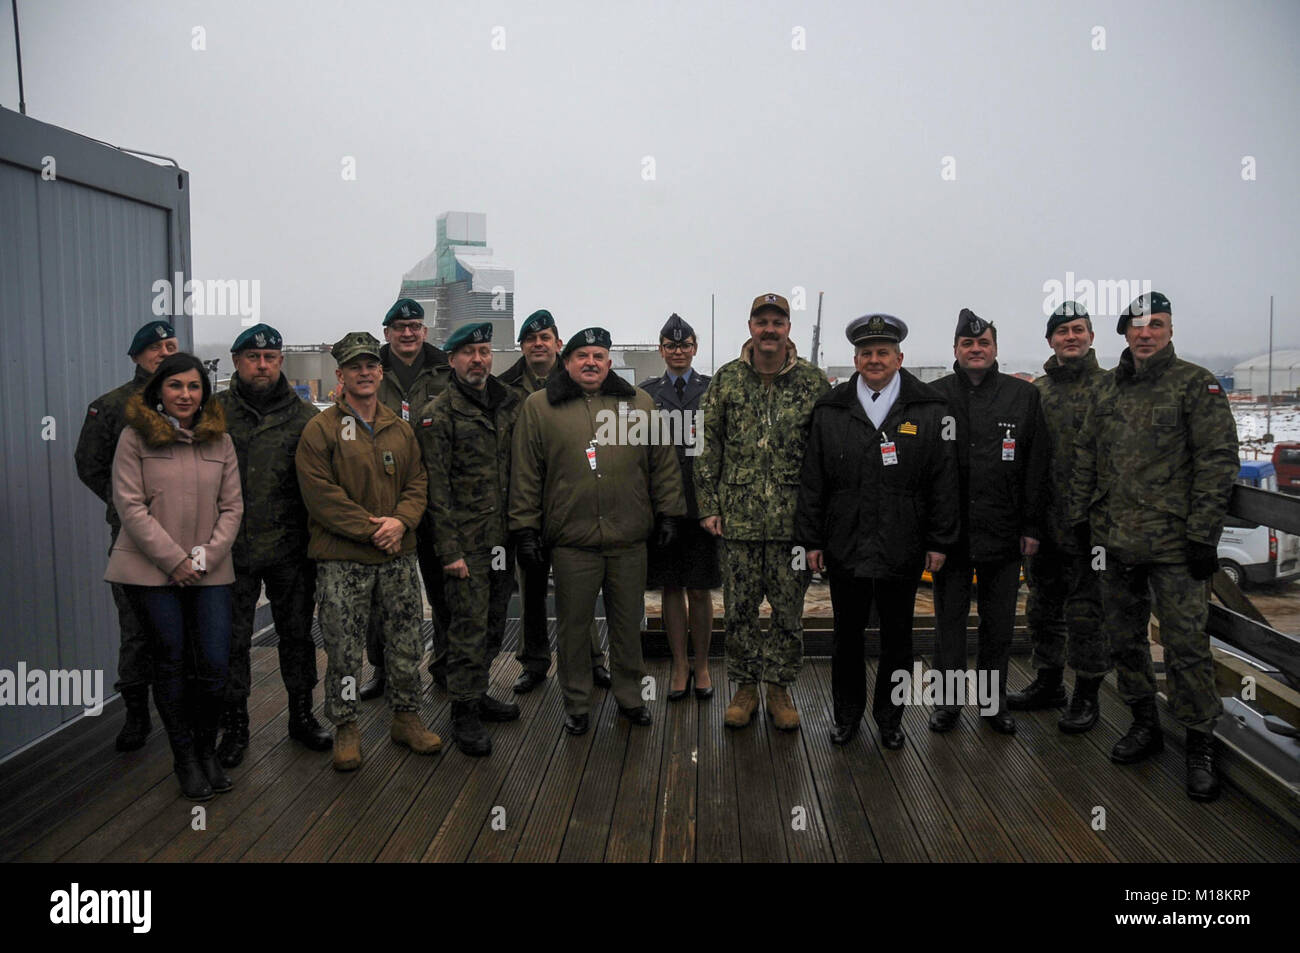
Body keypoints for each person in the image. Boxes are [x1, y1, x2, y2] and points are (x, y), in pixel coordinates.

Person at [1070, 292, 1238, 800]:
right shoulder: (1107, 390)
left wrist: (1203, 534)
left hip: (1175, 544)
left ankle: (1200, 742)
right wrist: (1081, 520)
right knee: (1124, 639)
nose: (1146, 334)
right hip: (1114, 540)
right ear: (1124, 332)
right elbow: (1086, 456)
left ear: (1169, 330)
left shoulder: (1194, 384)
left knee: (1186, 646)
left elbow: (1218, 461)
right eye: (1138, 326)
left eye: (1157, 325)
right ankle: (1144, 722)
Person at [509, 327, 686, 735]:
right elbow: (526, 474)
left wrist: (670, 514)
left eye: (599, 356)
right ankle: (577, 701)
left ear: (609, 363)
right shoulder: (540, 407)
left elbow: (661, 463)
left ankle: (630, 697)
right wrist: (524, 530)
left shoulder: (638, 403)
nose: (591, 362)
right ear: (566, 361)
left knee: (627, 623)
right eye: (582, 355)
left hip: (628, 538)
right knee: (572, 626)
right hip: (572, 540)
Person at [795, 315, 958, 749]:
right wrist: (812, 540)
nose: (874, 359)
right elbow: (814, 479)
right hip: (845, 541)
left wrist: (939, 541)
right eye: (866, 353)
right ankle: (846, 717)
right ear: (855, 359)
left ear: (900, 358)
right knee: (845, 637)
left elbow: (942, 480)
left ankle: (890, 719)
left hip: (902, 542)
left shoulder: (928, 409)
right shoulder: (832, 408)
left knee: (898, 640)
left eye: (883, 352)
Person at [295, 332, 441, 771]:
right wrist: (372, 530)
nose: (364, 373)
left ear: (380, 372)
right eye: (354, 367)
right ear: (339, 375)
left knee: (405, 641)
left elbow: (418, 482)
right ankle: (345, 725)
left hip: (397, 555)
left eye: (370, 366)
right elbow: (320, 496)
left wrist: (401, 522)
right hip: (343, 560)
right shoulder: (320, 430)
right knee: (343, 648)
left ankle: (407, 717)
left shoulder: (400, 427)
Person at [105, 352, 243, 801]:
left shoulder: (220, 441)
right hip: (150, 572)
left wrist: (204, 557)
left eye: (194, 386)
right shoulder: (134, 437)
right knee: (171, 663)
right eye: (176, 386)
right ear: (158, 391)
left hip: (209, 569)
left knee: (216, 666)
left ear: (205, 392)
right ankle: (184, 759)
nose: (186, 394)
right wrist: (174, 561)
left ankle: (206, 749)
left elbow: (232, 507)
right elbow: (130, 505)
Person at [695, 293, 829, 731]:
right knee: (739, 609)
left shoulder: (813, 383)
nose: (769, 329)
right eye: (762, 321)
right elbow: (707, 446)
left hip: (793, 523)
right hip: (738, 521)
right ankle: (745, 686)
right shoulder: (727, 380)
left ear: (788, 328)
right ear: (750, 326)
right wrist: (709, 506)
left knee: (789, 611)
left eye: (778, 321)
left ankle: (779, 687)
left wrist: (819, 522)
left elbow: (825, 454)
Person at [213, 324, 331, 767]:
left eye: (270, 358)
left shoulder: (306, 418)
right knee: (232, 642)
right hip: (232, 551)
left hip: (291, 551)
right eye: (252, 358)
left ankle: (302, 717)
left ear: (281, 362)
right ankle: (237, 727)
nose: (262, 365)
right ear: (236, 361)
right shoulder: (214, 413)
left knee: (298, 636)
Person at [929, 309, 1048, 735]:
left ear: (995, 349)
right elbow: (925, 470)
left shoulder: (1023, 396)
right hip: (951, 535)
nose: (975, 349)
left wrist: (1032, 527)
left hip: (1004, 532)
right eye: (967, 344)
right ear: (956, 350)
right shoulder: (935, 396)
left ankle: (993, 704)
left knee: (998, 626)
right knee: (949, 625)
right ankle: (948, 704)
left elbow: (1036, 466)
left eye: (983, 343)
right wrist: (930, 532)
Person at [417, 321, 523, 756]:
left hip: (502, 541)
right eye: (468, 352)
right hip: (466, 544)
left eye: (483, 351)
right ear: (451, 360)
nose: (478, 359)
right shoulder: (437, 413)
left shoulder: (510, 404)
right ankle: (463, 711)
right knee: (465, 628)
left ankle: (477, 691)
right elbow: (435, 489)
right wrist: (450, 551)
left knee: (495, 621)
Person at [75, 319, 179, 751]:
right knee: (137, 632)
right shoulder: (113, 406)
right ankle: (137, 716)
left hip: (188, 535)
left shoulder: (191, 400)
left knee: (187, 632)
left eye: (171, 345)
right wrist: (126, 505)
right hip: (134, 541)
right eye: (156, 348)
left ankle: (188, 718)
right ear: (137, 356)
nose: (165, 353)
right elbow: (89, 464)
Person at [1007, 303, 1109, 732]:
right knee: (1043, 607)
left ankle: (1087, 694)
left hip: (1093, 525)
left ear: (1090, 337)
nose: (1071, 337)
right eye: (1063, 331)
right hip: (1045, 525)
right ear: (1050, 340)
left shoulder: (1112, 388)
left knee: (1089, 614)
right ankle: (1049, 682)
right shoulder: (1038, 393)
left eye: (1079, 330)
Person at [500, 309, 608, 694]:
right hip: (527, 501)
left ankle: (591, 660)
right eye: (531, 339)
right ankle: (534, 662)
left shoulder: (581, 382)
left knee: (578, 589)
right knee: (530, 588)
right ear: (523, 347)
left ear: (559, 345)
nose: (538, 344)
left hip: (572, 501)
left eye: (545, 337)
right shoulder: (505, 387)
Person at [367, 297, 453, 697]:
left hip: (435, 496)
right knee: (382, 596)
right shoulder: (370, 369)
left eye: (415, 326)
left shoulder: (445, 367)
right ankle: (382, 670)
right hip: (384, 499)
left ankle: (446, 665)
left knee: (443, 590)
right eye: (399, 328)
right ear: (387, 333)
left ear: (424, 331)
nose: (407, 333)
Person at [639, 313, 719, 700]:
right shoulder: (646, 394)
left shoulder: (713, 389)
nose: (678, 352)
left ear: (694, 348)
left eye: (685, 345)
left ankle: (702, 664)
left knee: (701, 589)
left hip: (703, 506)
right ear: (661, 350)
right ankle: (679, 664)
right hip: (665, 507)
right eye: (671, 346)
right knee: (671, 588)